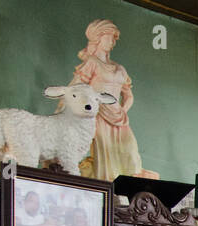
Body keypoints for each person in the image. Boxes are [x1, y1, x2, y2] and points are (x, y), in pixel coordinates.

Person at [67, 19, 156, 180]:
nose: (113, 41)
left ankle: (125, 190)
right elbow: (76, 88)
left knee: (130, 153)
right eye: (110, 37)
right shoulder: (92, 63)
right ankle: (108, 189)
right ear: (98, 39)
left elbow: (128, 95)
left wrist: (121, 110)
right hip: (99, 114)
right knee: (105, 156)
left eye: (115, 38)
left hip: (119, 118)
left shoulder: (120, 69)